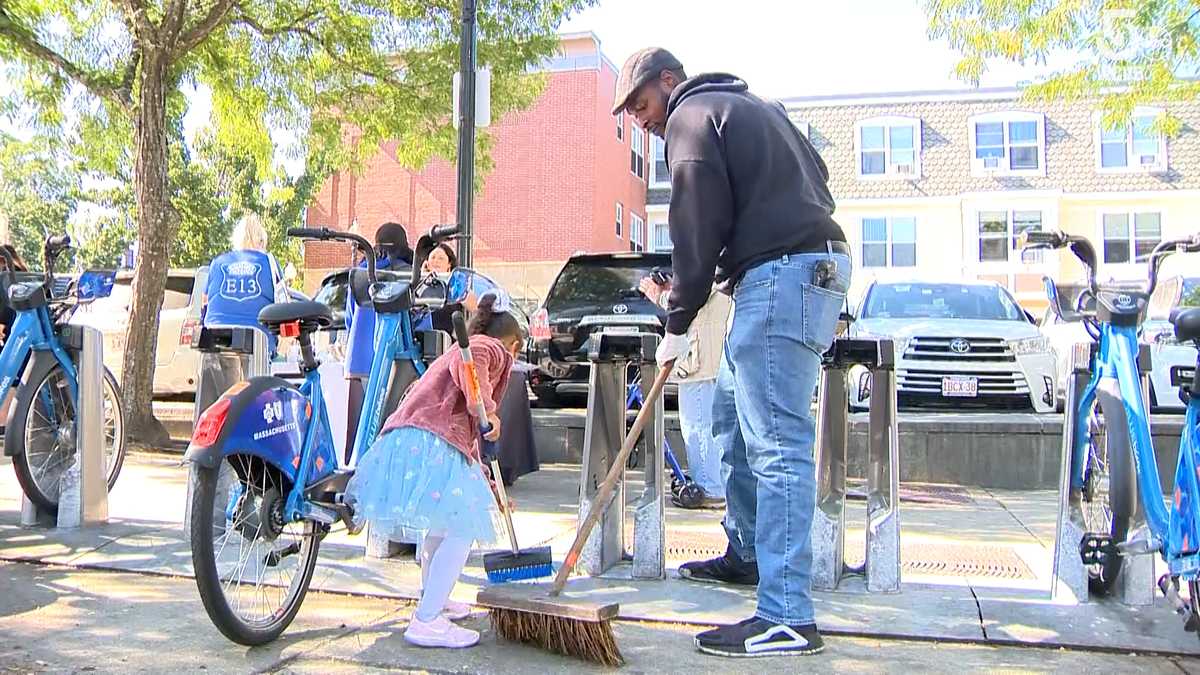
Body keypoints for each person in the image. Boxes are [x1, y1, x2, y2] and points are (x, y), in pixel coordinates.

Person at [613, 48, 851, 658]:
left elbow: (696, 223)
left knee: (775, 445)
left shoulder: (691, 119)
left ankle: (788, 614)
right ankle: (747, 552)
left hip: (781, 279)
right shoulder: (753, 109)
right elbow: (814, 182)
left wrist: (678, 316)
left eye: (641, 104)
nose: (640, 120)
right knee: (729, 419)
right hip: (795, 271)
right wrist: (700, 289)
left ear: (669, 82)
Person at [345, 294, 524, 649]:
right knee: (462, 527)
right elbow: (473, 376)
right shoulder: (485, 347)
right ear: (514, 346)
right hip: (434, 437)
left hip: (417, 435)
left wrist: (487, 484)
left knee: (442, 525)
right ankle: (426, 620)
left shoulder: (466, 349)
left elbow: (472, 440)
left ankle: (434, 601)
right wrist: (489, 410)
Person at [639, 268, 730, 509]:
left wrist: (660, 296)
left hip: (702, 354)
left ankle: (710, 487)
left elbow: (692, 294)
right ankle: (715, 484)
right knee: (710, 423)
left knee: (699, 422)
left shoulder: (706, 247)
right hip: (713, 352)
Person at [344, 222, 415, 460]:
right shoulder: (408, 273)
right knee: (388, 430)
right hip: (396, 363)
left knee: (358, 433)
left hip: (359, 360)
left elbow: (349, 318)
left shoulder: (361, 273)